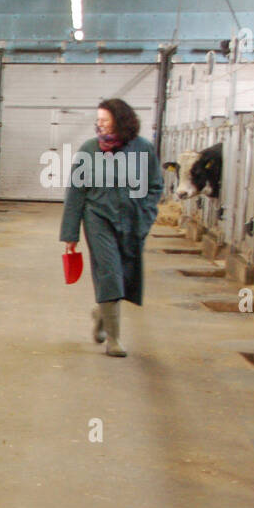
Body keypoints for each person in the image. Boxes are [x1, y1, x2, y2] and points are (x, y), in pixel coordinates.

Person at [59, 98, 162, 357]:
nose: (100, 124)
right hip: (98, 218)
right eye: (99, 120)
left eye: (105, 119)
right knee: (109, 271)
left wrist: (147, 215)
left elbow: (155, 186)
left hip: (132, 221)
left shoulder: (143, 149)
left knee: (125, 274)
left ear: (121, 120)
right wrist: (70, 233)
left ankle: (101, 313)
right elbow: (76, 192)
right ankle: (114, 340)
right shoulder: (89, 149)